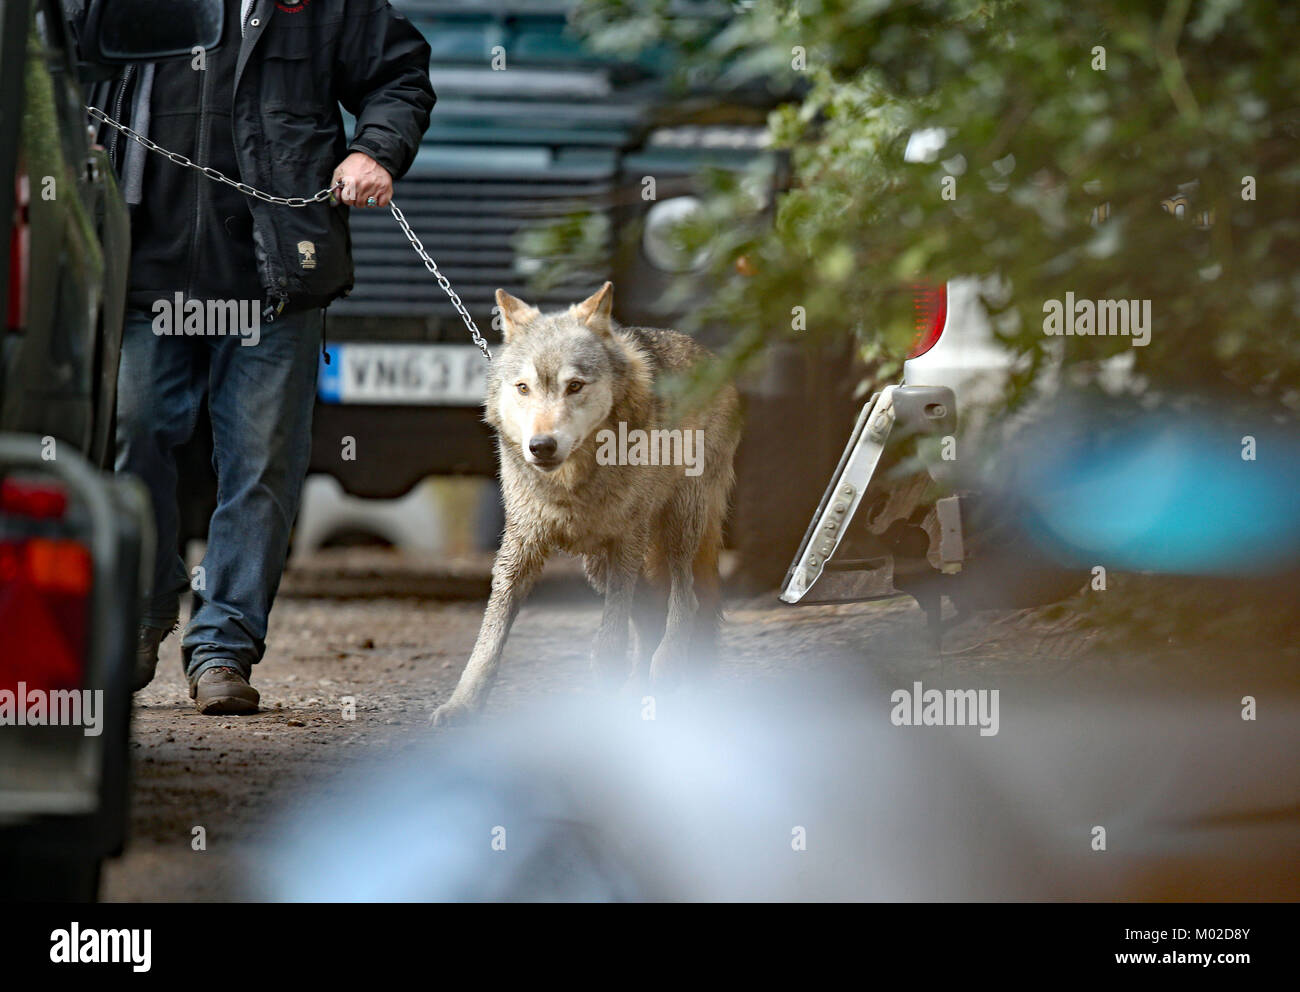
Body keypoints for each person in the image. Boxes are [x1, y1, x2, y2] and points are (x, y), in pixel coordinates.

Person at [87, 0, 435, 713]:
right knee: (134, 435)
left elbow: (399, 76)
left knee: (260, 462)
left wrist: (374, 149)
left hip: (274, 275)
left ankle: (223, 645)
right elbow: (59, 72)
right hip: (141, 268)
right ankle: (146, 608)